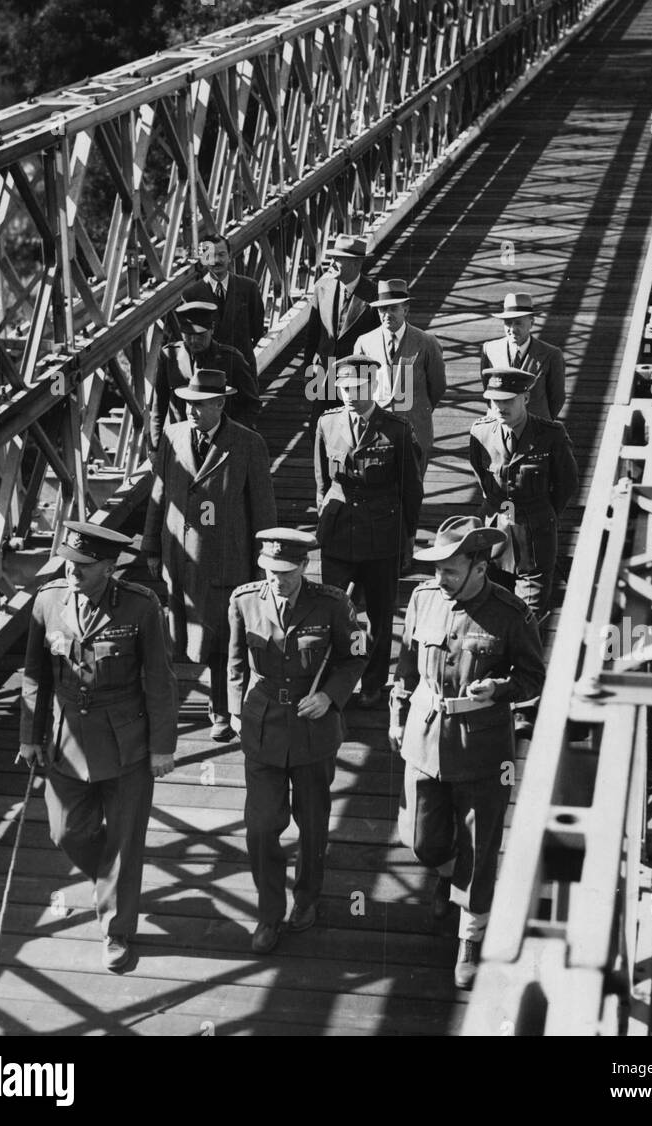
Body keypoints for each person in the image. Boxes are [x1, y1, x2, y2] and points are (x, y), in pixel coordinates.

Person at [389, 515, 545, 990]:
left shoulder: (511, 613)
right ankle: (448, 873)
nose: (441, 579)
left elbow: (534, 678)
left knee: (479, 850)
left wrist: (500, 688)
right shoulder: (423, 599)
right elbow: (407, 664)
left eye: (451, 570)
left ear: (480, 567)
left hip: (481, 747)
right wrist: (397, 715)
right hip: (424, 736)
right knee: (420, 839)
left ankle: (470, 938)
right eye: (437, 570)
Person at [19, 521, 178, 972]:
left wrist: (162, 746)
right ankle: (112, 883)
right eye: (69, 564)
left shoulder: (140, 607)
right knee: (65, 831)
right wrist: (30, 736)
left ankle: (116, 931)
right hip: (66, 739)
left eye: (84, 567)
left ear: (108, 568)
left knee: (125, 842)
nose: (73, 573)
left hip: (127, 740)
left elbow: (161, 682)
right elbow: (35, 675)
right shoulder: (48, 601)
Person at [228, 528, 367, 953]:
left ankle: (305, 899)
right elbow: (234, 660)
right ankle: (268, 914)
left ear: (305, 566)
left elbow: (355, 655)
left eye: (286, 572)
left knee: (312, 823)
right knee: (260, 826)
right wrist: (235, 710)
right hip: (263, 723)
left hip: (313, 729)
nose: (276, 579)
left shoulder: (333, 604)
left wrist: (330, 696)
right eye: (269, 570)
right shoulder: (243, 600)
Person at [141, 367, 276, 743]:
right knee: (174, 638)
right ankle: (165, 714)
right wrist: (151, 545)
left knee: (220, 642)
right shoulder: (173, 436)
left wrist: (264, 563)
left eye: (199, 405)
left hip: (225, 561)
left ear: (220, 403)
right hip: (178, 559)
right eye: (187, 404)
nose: (190, 411)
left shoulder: (248, 444)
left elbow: (263, 511)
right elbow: (159, 494)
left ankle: (221, 711)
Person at [314, 355, 423, 708]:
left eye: (356, 387)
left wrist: (408, 537)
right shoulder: (327, 424)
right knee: (332, 609)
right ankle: (334, 682)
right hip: (338, 531)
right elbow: (321, 482)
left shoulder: (396, 428)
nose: (348, 394)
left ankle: (374, 682)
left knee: (379, 613)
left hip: (382, 532)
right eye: (343, 387)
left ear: (373, 386)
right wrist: (324, 518)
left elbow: (411, 488)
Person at [469, 367, 579, 626]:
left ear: (526, 398)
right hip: (494, 536)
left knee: (529, 619)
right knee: (490, 613)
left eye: (508, 401)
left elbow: (567, 483)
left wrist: (543, 514)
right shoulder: (480, 433)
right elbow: (483, 479)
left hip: (534, 537)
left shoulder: (550, 435)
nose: (500, 408)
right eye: (495, 401)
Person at [353, 278, 446, 475]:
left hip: (416, 431)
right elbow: (360, 387)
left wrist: (418, 409)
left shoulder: (426, 342)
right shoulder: (364, 343)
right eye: (382, 309)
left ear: (406, 309)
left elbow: (437, 387)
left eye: (393, 308)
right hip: (378, 431)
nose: (387, 315)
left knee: (413, 488)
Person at [148, 300, 261, 453]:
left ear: (212, 329)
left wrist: (234, 435)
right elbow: (158, 407)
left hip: (222, 446)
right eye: (188, 335)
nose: (194, 341)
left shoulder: (232, 359)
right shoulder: (169, 357)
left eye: (200, 335)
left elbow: (251, 404)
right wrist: (155, 448)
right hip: (182, 445)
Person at [303, 234, 379, 419]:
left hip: (357, 377)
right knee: (319, 427)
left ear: (357, 264)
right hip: (324, 374)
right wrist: (307, 369)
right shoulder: (322, 287)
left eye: (339, 259)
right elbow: (312, 334)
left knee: (354, 427)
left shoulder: (374, 295)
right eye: (333, 258)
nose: (333, 263)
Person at [183, 232, 266, 375]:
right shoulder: (191, 295)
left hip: (242, 372)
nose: (216, 260)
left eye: (221, 254)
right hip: (208, 373)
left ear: (230, 256)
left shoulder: (249, 288)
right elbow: (188, 339)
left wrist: (240, 355)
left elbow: (257, 330)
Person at [480, 289, 566, 422]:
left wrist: (543, 425)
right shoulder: (489, 349)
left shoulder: (551, 354)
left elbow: (557, 399)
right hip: (499, 426)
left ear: (532, 322)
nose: (512, 329)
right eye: (508, 323)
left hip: (536, 430)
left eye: (518, 323)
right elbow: (487, 389)